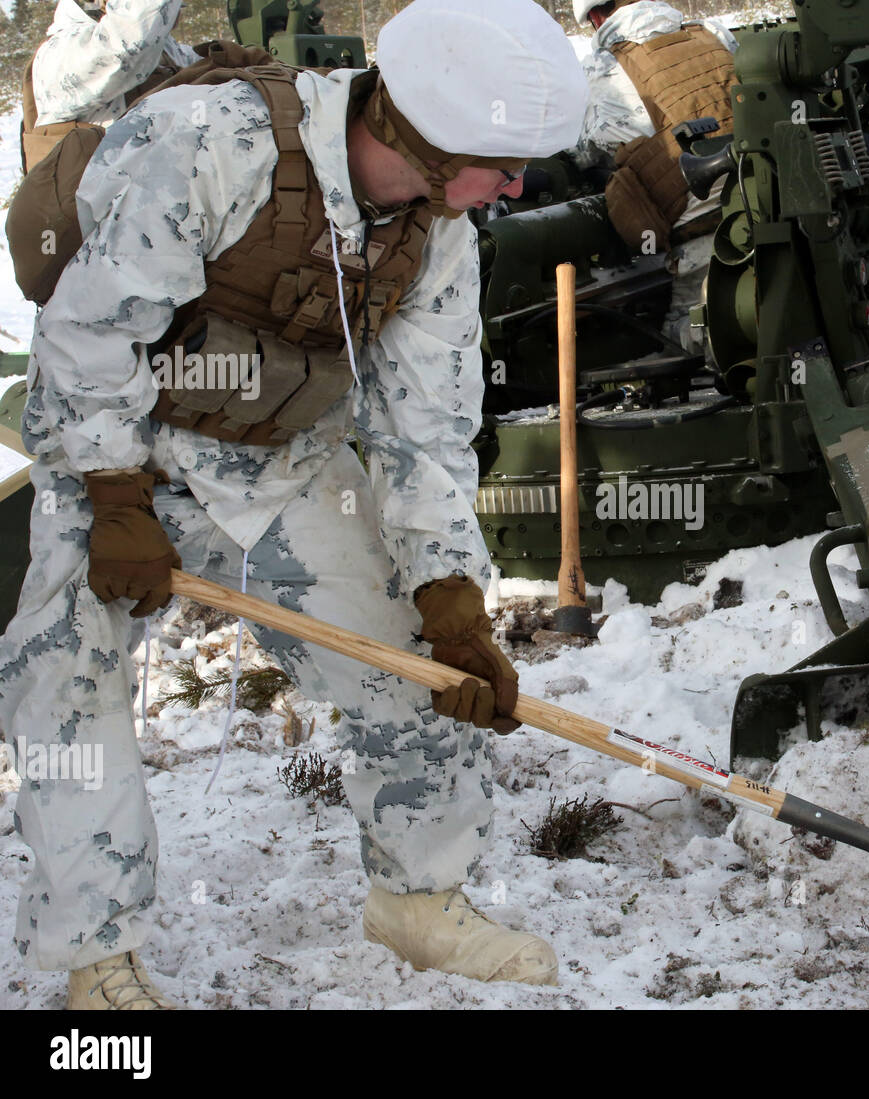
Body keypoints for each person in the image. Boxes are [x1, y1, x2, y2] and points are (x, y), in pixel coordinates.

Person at [0, 0, 588, 1008]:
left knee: (411, 657)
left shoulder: (437, 235)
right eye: (501, 161)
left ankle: (418, 898)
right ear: (425, 134)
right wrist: (109, 492)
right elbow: (85, 335)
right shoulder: (205, 143)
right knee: (62, 691)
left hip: (279, 460)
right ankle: (99, 959)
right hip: (115, 449)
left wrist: (449, 587)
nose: (517, 188)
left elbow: (425, 431)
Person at [571, 0, 736, 350]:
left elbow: (584, 152)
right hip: (766, 196)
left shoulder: (601, 69)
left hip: (704, 233)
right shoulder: (712, 33)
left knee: (694, 344)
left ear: (597, 17)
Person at [21, 0, 200, 172]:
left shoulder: (167, 50)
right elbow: (129, 46)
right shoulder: (59, 53)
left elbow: (202, 69)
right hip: (103, 199)